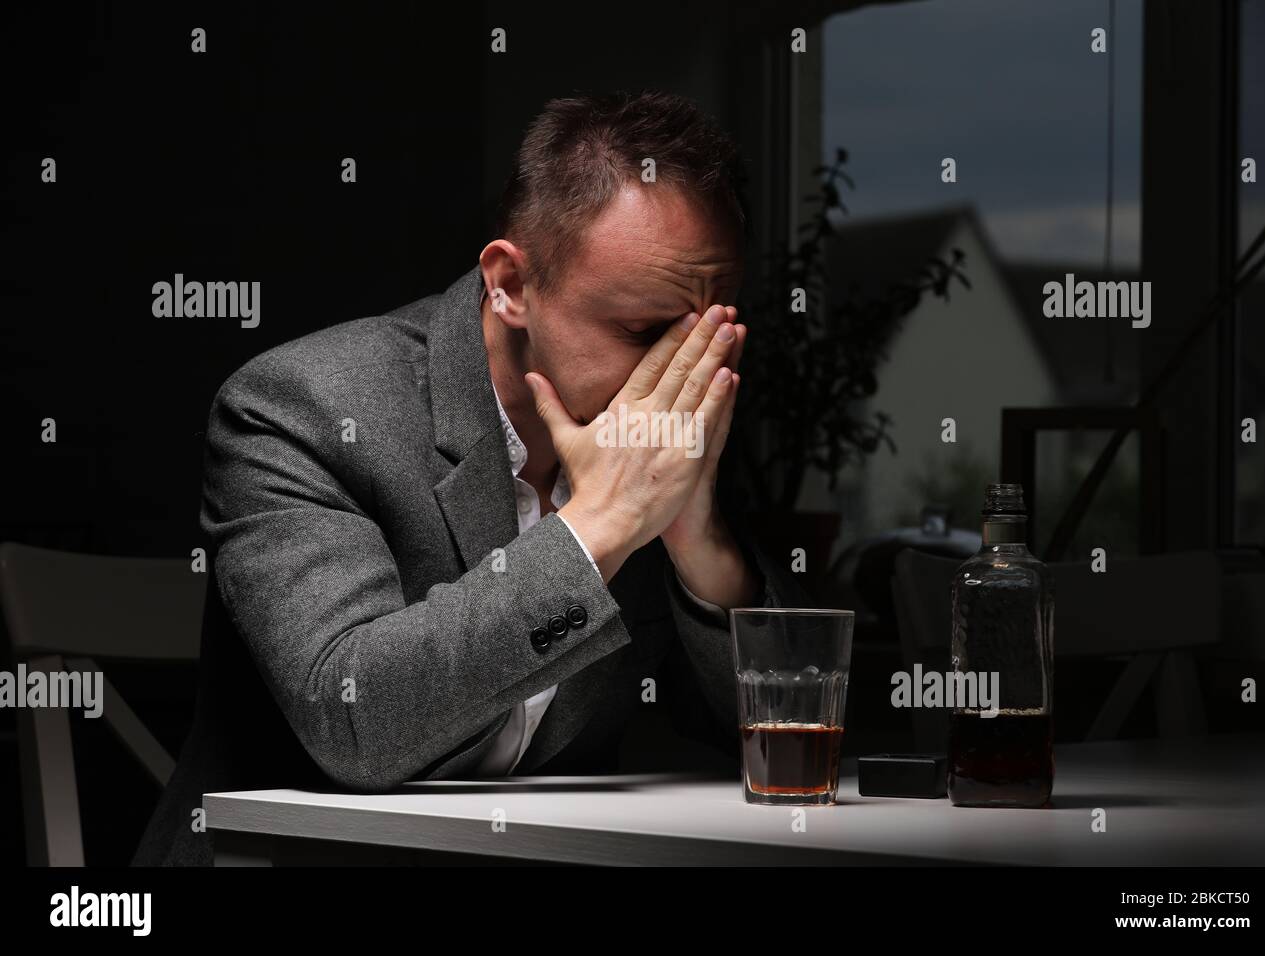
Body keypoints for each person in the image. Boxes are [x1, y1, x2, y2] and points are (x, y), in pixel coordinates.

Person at [132, 90, 804, 866]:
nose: (685, 371)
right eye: (644, 332)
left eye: (714, 328)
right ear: (510, 285)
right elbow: (353, 720)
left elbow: (773, 740)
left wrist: (702, 547)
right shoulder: (302, 407)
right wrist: (600, 529)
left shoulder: (669, 429)